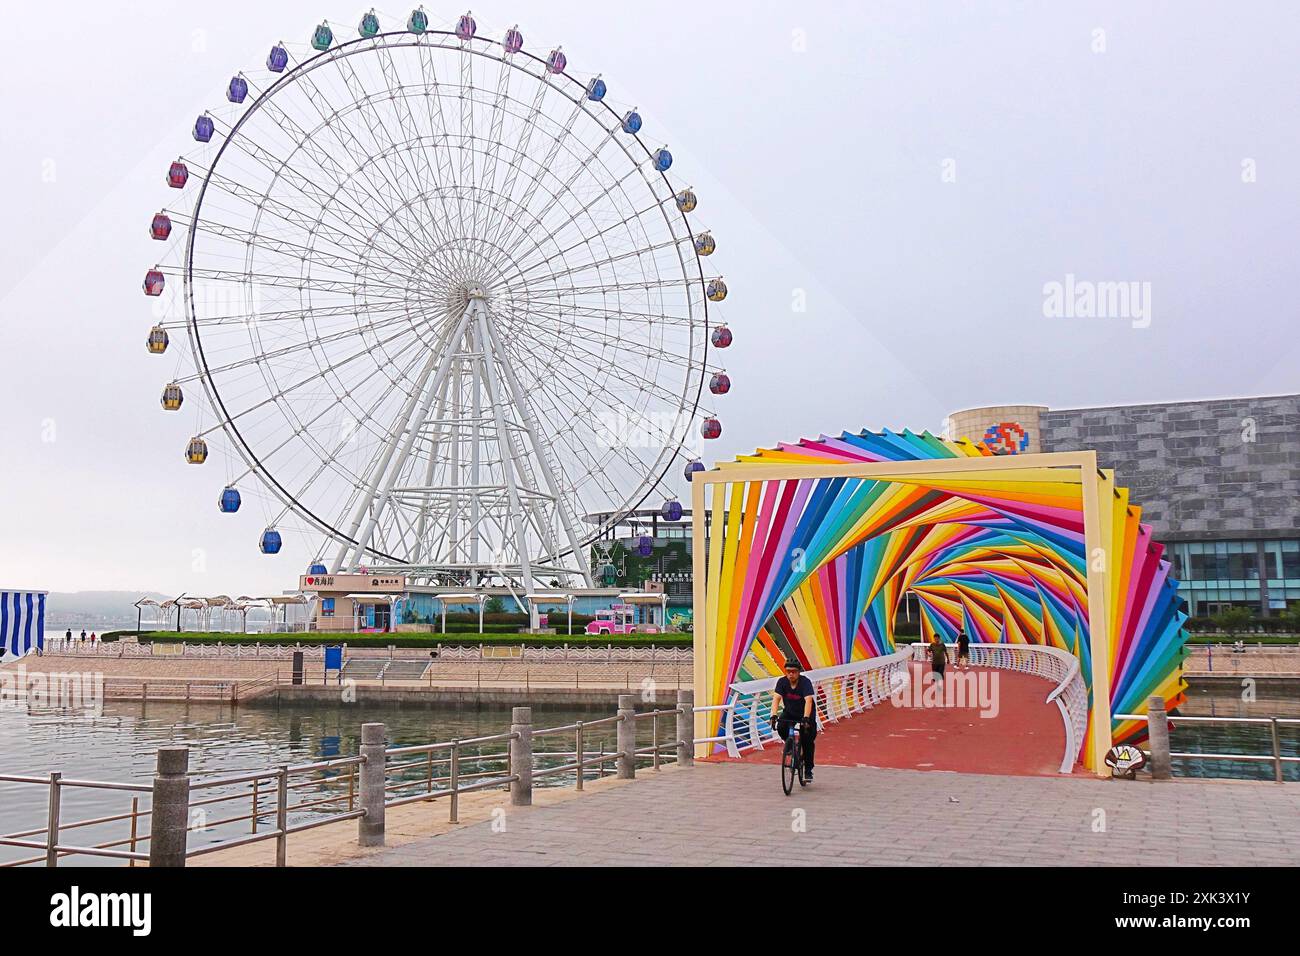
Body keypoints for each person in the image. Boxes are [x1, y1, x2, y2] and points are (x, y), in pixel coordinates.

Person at [769, 658, 817, 782]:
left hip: (806, 712)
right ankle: (790, 745)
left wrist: (806, 718)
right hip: (790, 712)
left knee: (807, 740)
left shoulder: (805, 682)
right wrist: (773, 715)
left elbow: (808, 700)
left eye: (794, 671)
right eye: (788, 671)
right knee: (781, 726)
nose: (791, 674)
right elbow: (776, 698)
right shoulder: (782, 682)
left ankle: (808, 770)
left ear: (799, 672)